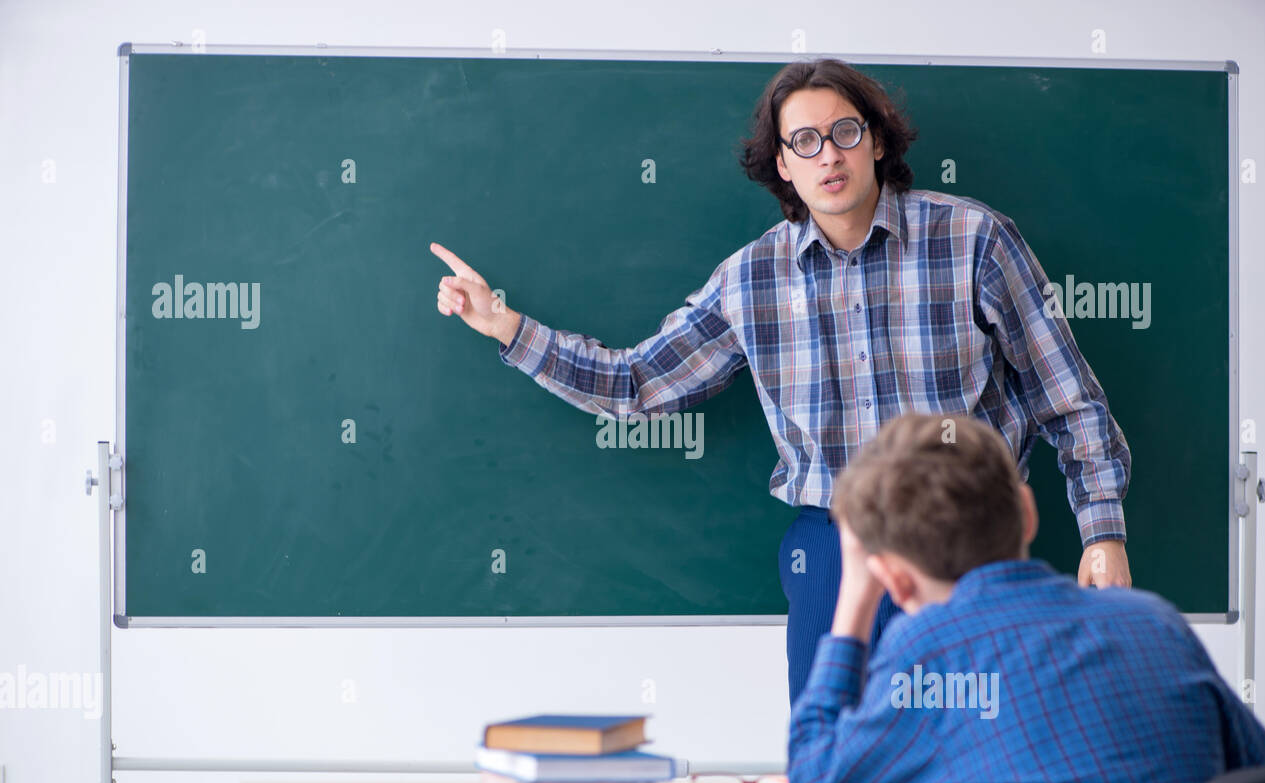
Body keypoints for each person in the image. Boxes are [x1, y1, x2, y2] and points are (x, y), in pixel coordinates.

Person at [430, 57, 1132, 706]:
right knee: (829, 771)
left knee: (980, 752)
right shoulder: (750, 280)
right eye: (805, 141)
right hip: (830, 545)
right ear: (782, 166)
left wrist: (1102, 530)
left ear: (878, 142)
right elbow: (635, 384)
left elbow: (1067, 397)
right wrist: (506, 326)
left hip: (968, 541)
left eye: (845, 132)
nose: (828, 153)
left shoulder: (976, 239)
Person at [786, 412, 1265, 783]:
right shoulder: (1154, 622)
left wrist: (854, 594)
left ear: (892, 579)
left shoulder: (934, 652)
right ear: (1028, 511)